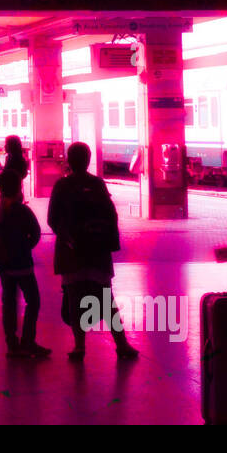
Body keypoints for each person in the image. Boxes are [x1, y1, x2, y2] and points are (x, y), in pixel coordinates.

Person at [47, 142, 137, 361]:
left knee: (74, 299)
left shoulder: (61, 186)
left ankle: (79, 347)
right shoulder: (97, 184)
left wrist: (68, 237)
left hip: (71, 253)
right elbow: (111, 215)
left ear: (69, 160)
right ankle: (122, 345)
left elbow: (52, 219)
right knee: (106, 300)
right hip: (97, 253)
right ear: (88, 161)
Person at [0, 169, 50, 358]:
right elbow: (35, 233)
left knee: (9, 302)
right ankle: (28, 341)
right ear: (19, 188)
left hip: (4, 267)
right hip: (23, 265)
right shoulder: (23, 211)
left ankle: (12, 343)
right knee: (33, 301)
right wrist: (24, 246)